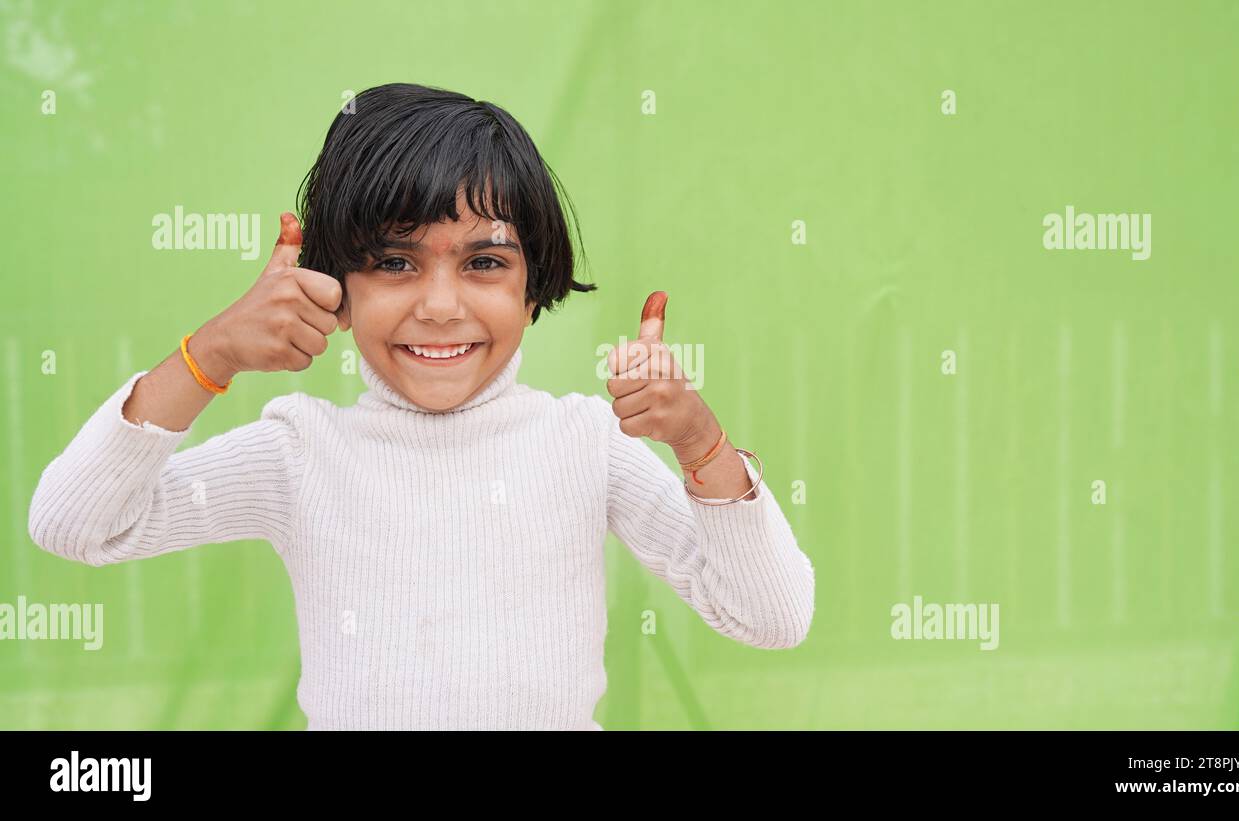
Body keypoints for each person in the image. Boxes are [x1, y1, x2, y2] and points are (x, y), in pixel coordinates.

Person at [27, 82, 815, 730]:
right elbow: (73, 524)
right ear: (334, 287)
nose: (440, 306)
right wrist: (212, 354)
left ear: (533, 283)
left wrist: (701, 443)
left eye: (483, 260)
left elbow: (772, 616)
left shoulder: (583, 441)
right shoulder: (301, 451)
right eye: (394, 261)